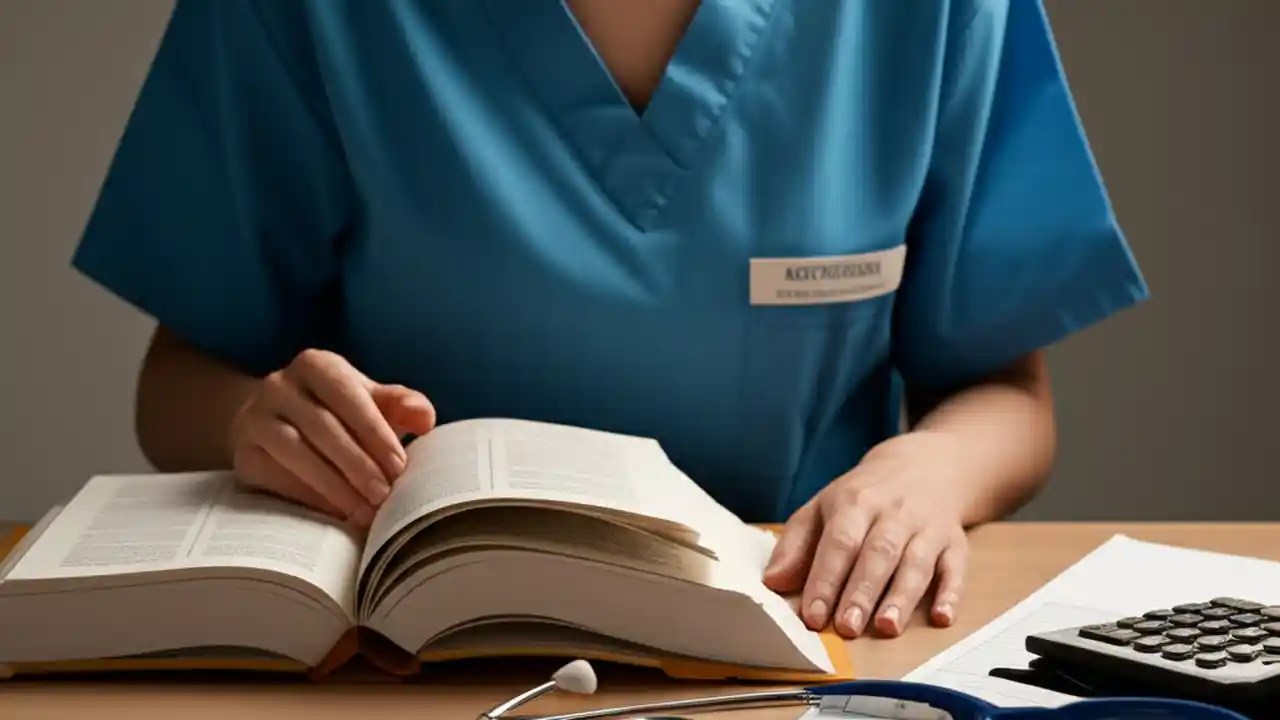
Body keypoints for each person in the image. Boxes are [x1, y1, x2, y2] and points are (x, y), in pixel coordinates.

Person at [71, 0, 1147, 641]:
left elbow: (1005, 395)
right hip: (419, 654)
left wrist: (929, 475)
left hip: (816, 637)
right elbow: (178, 381)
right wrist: (254, 423)